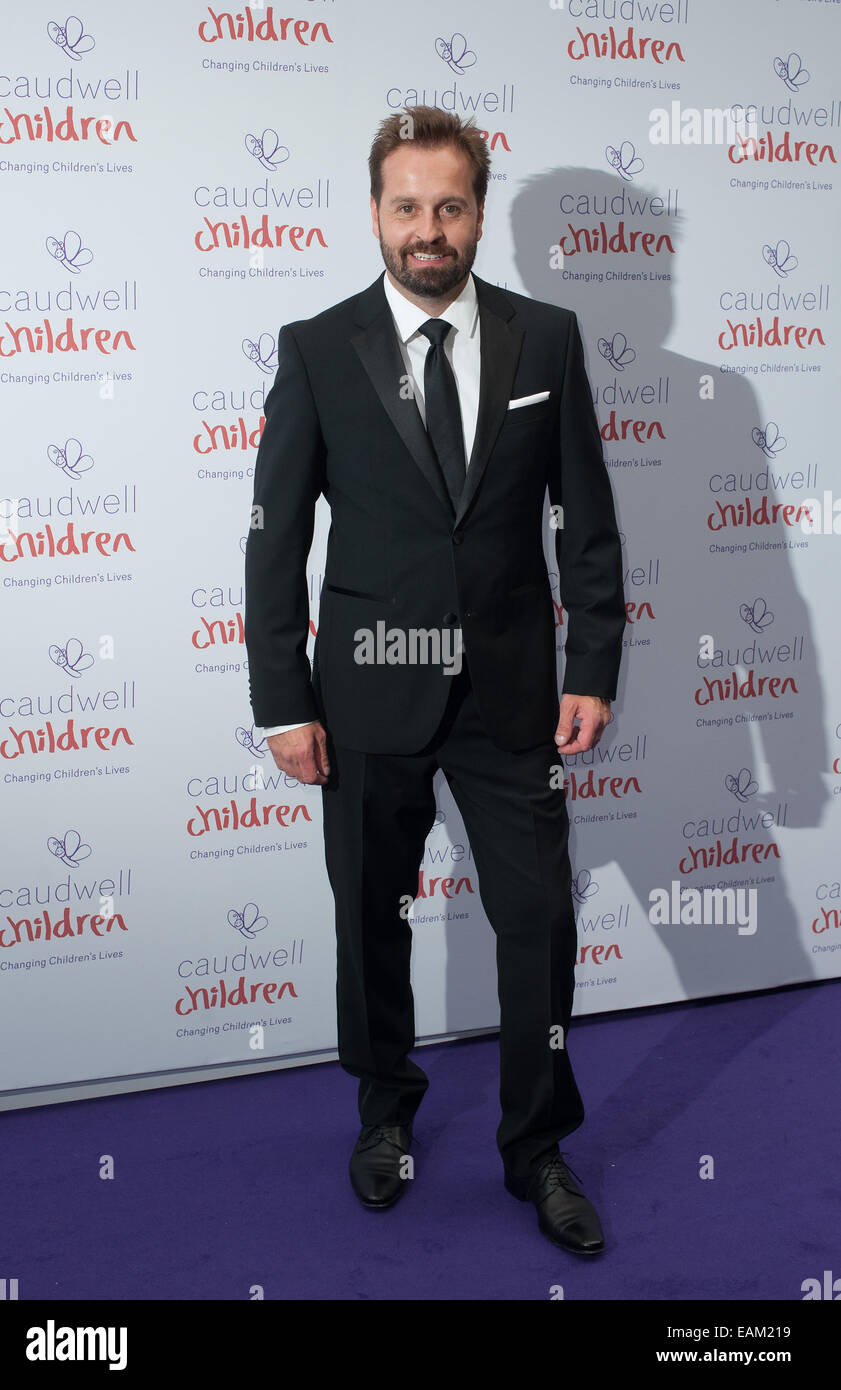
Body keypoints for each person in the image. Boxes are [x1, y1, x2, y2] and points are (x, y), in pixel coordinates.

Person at [244, 106, 626, 1254]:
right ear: (374, 214)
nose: (427, 228)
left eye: (448, 205)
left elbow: (589, 524)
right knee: (371, 919)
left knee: (540, 923)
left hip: (511, 690)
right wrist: (282, 697)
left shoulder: (545, 339)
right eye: (405, 206)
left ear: (476, 211)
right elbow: (275, 540)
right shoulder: (316, 347)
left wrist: (592, 663)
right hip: (363, 692)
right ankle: (384, 1117)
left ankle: (536, 1147)